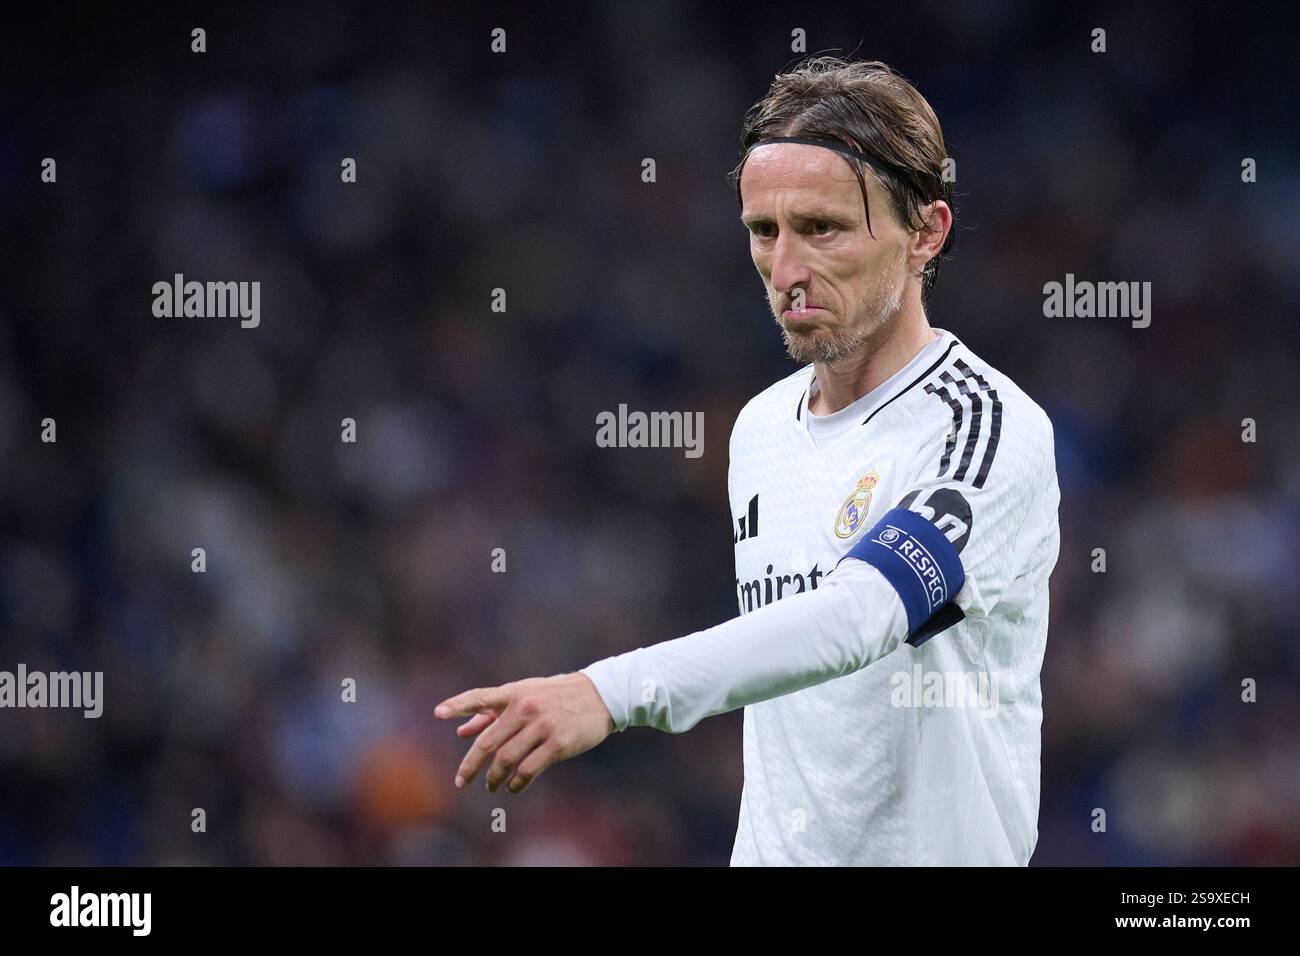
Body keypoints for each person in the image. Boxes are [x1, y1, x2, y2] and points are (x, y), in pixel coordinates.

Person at [436, 56, 1060, 865]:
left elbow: (859, 616)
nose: (787, 270)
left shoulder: (983, 428)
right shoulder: (762, 428)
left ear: (925, 233)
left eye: (822, 227)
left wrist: (609, 691)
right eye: (765, 232)